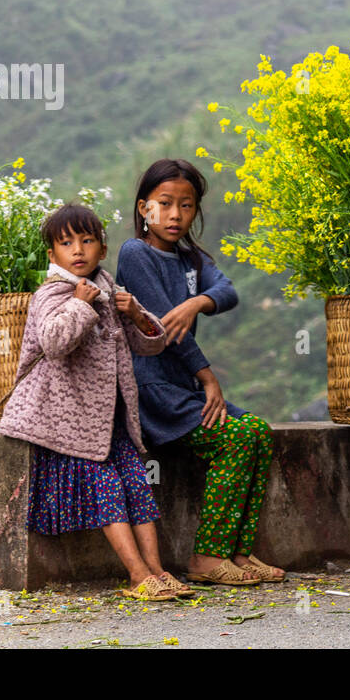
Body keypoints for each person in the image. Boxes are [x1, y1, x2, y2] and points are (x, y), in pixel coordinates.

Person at [0, 203, 191, 601]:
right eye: (67, 243)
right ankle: (137, 574)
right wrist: (80, 304)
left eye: (87, 241)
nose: (78, 250)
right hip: (65, 422)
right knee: (106, 489)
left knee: (138, 486)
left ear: (102, 250)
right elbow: (53, 343)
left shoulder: (109, 289)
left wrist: (138, 314)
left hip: (109, 419)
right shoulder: (51, 294)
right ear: (52, 255)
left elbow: (148, 344)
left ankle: (157, 570)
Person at [115, 158, 284, 587]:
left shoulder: (191, 259)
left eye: (186, 206)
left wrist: (197, 301)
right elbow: (161, 328)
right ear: (143, 208)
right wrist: (208, 378)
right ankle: (207, 557)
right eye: (165, 204)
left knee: (259, 432)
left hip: (181, 387)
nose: (175, 215)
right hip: (152, 391)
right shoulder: (135, 254)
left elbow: (227, 292)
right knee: (240, 435)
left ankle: (237, 553)